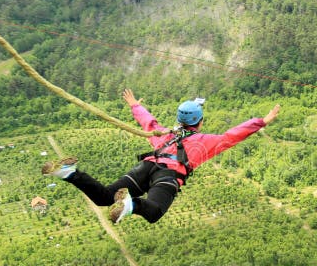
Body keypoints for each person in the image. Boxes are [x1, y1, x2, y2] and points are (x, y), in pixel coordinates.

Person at [42, 88, 280, 223]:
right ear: (200, 122)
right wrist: (262, 121)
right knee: (154, 212)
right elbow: (233, 135)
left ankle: (70, 174)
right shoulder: (205, 142)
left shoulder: (163, 134)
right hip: (168, 175)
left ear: (179, 120)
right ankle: (131, 205)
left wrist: (135, 104)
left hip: (146, 167)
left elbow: (148, 122)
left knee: (105, 197)